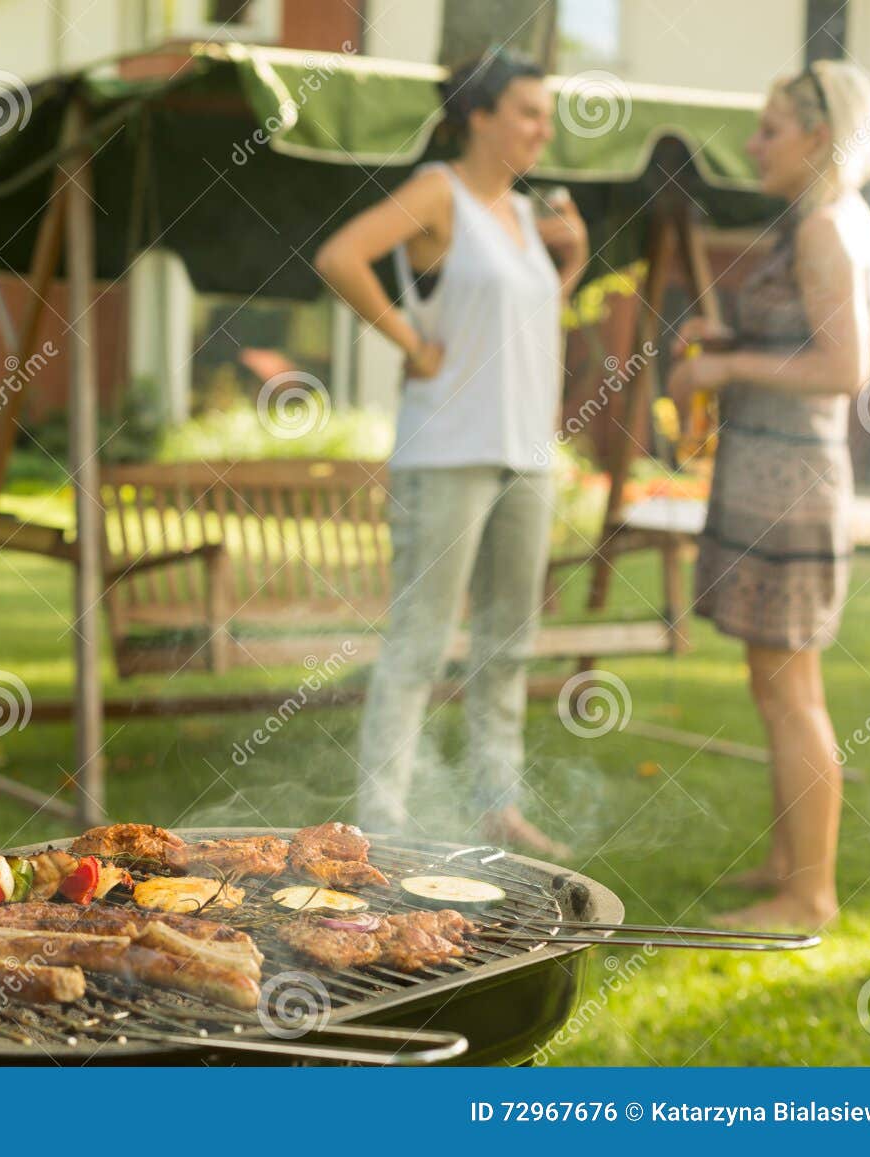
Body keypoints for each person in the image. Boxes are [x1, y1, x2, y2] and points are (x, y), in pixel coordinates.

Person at [316, 50, 587, 855]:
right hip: (448, 453)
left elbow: (519, 322)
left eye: (546, 114)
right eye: (529, 112)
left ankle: (496, 809)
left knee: (510, 644)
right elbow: (341, 257)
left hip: (525, 455)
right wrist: (408, 338)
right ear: (481, 116)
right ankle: (383, 824)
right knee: (421, 644)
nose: (544, 128)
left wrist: (568, 264)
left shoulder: (522, 215)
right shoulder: (442, 192)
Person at [668, 61, 870, 930]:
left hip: (791, 485)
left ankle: (811, 895)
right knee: (774, 685)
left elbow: (844, 369)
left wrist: (723, 365)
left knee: (793, 691)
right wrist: (727, 336)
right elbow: (804, 337)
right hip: (770, 480)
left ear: (818, 137)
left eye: (769, 128)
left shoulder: (829, 226)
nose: (755, 144)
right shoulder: (819, 222)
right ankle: (788, 863)